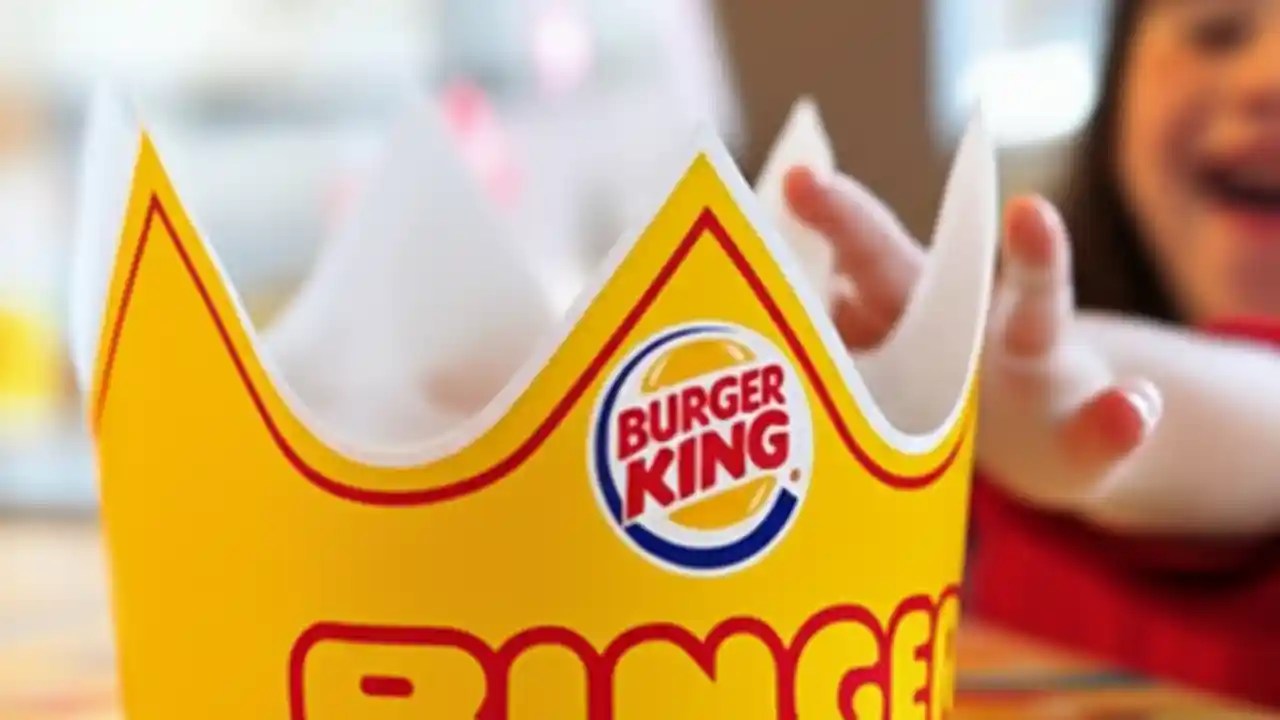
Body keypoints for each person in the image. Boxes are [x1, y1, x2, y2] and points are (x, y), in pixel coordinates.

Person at [782, 0, 1280, 706]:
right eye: (1215, 31)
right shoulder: (1005, 376)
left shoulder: (1021, 381)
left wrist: (1074, 382)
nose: (1269, 78)